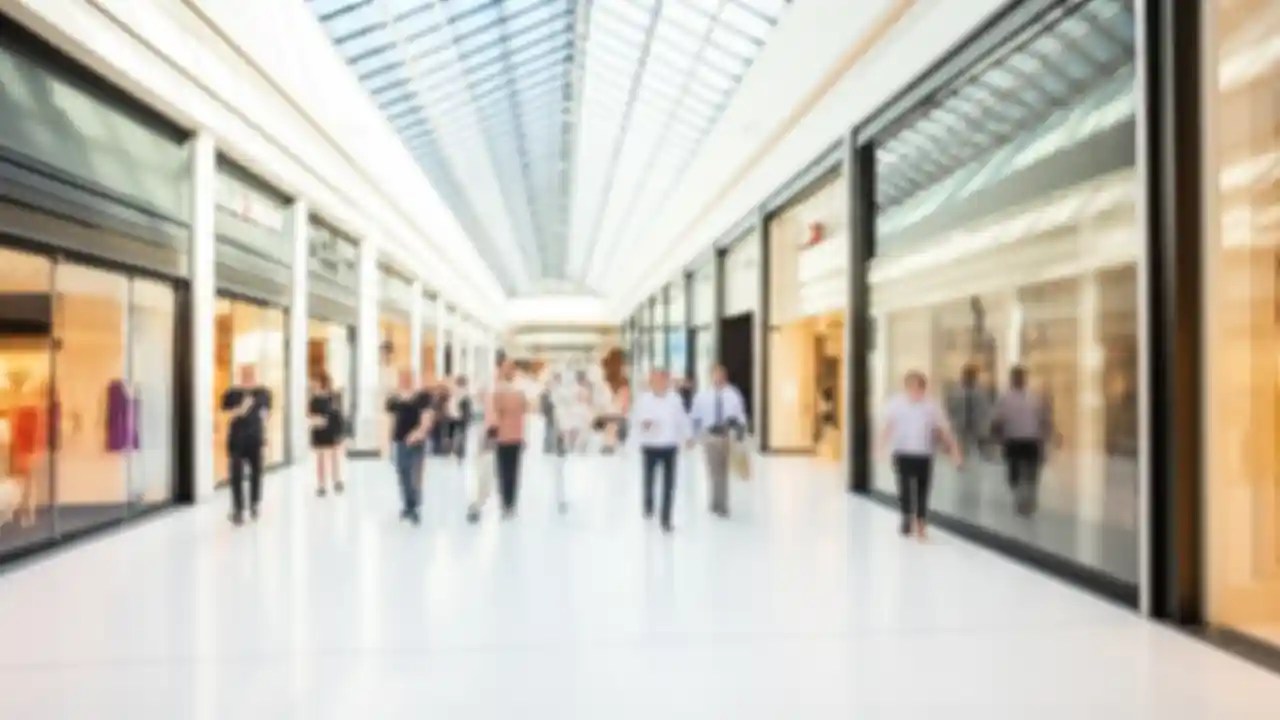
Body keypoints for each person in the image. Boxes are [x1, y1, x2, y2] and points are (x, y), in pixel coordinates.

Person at [878, 370, 962, 539]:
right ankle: (906, 517)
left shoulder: (931, 406)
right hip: (903, 452)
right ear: (906, 387)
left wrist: (955, 451)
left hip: (924, 454)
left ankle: (921, 521)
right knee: (905, 488)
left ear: (924, 389)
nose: (916, 392)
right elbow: (888, 426)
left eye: (920, 388)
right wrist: (880, 447)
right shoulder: (896, 404)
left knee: (923, 489)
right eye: (913, 388)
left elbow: (944, 430)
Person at [990, 365, 1055, 515]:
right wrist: (997, 437)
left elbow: (1044, 418)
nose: (1019, 380)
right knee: (1015, 474)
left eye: (1021, 377)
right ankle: (1021, 499)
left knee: (1032, 473)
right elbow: (997, 421)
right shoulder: (1005, 398)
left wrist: (1045, 435)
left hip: (1031, 440)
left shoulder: (1034, 398)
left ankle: (1029, 501)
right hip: (1013, 440)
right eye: (1016, 377)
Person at [631, 370, 689, 533]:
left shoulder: (675, 400)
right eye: (655, 380)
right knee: (649, 479)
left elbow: (682, 420)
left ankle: (666, 518)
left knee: (669, 483)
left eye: (663, 380)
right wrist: (645, 425)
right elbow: (636, 420)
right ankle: (648, 505)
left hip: (669, 445)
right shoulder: (644, 400)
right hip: (650, 445)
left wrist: (687, 436)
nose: (660, 383)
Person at [689, 364, 748, 518]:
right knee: (714, 470)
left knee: (724, 470)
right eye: (715, 375)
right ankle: (715, 503)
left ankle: (722, 504)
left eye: (721, 375)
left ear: (725, 376)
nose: (718, 377)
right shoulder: (702, 396)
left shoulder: (733, 394)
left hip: (726, 435)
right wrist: (693, 437)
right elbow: (695, 417)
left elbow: (740, 415)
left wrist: (740, 435)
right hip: (709, 436)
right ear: (711, 376)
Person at [220, 365, 271, 525]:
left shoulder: (263, 392)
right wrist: (241, 409)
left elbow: (266, 414)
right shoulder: (232, 393)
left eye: (251, 374)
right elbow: (225, 414)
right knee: (236, 474)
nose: (248, 377)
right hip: (237, 439)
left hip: (255, 438)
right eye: (245, 374)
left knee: (256, 472)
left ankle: (254, 503)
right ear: (240, 375)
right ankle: (238, 509)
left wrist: (266, 433)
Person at [385, 369, 432, 525]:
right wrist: (387, 442)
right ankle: (407, 504)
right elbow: (390, 421)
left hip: (416, 442)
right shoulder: (394, 400)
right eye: (401, 378)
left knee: (415, 474)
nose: (404, 381)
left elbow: (427, 419)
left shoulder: (422, 397)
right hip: (399, 441)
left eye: (407, 378)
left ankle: (415, 507)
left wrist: (419, 433)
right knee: (403, 472)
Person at [488, 360, 528, 518]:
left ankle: (510, 503)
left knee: (511, 471)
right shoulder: (502, 391)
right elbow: (495, 414)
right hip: (504, 437)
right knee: (505, 471)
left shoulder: (514, 391)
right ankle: (506, 503)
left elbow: (523, 411)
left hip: (514, 436)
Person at [945, 363, 992, 469]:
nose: (970, 377)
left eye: (973, 375)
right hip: (960, 426)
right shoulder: (955, 390)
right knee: (961, 452)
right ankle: (960, 465)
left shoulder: (981, 391)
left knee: (977, 455)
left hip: (977, 427)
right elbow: (949, 407)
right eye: (968, 375)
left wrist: (985, 427)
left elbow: (985, 410)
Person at [308, 373, 345, 497]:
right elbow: (310, 414)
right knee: (320, 459)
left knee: (334, 457)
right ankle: (321, 485)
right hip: (319, 430)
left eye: (316, 381)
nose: (314, 384)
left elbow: (339, 414)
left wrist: (340, 432)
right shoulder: (313, 398)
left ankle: (336, 480)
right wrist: (316, 419)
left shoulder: (334, 396)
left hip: (332, 430)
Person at [450, 376, 473, 465]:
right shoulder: (464, 394)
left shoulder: (459, 394)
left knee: (459, 436)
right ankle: (460, 453)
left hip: (458, 419)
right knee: (461, 436)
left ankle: (459, 453)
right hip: (460, 419)